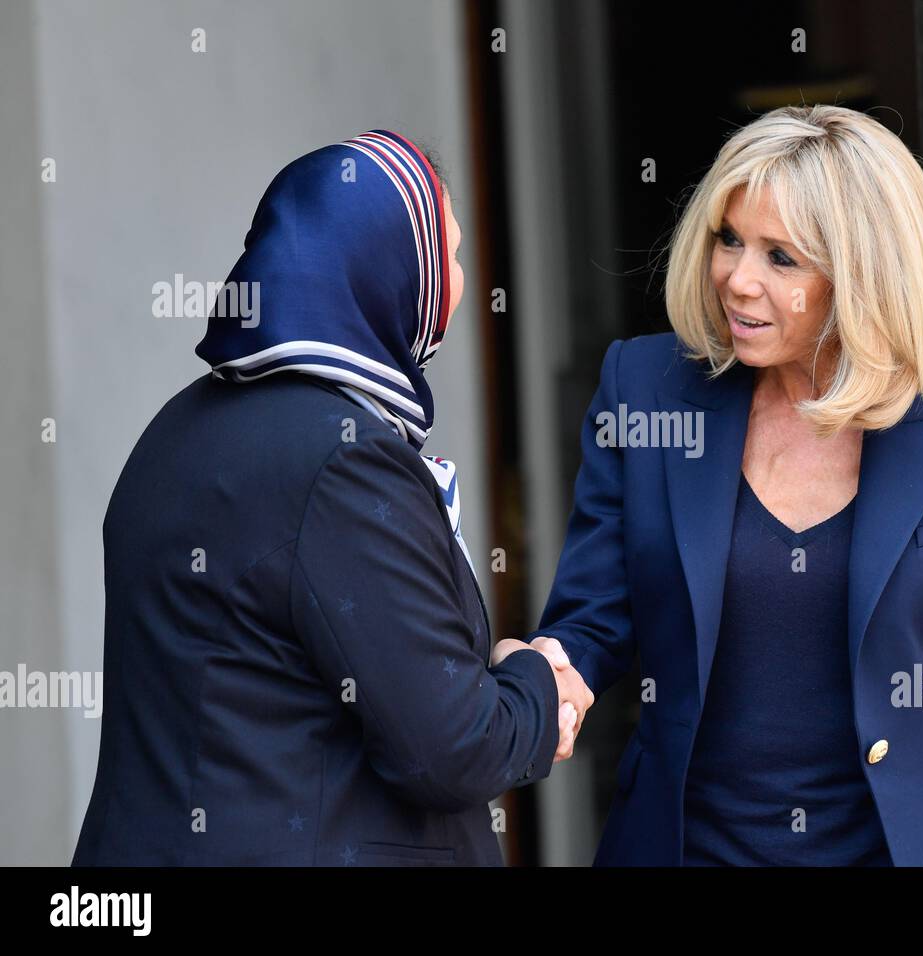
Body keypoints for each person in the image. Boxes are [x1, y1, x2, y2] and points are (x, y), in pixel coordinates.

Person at [528, 105, 923, 866]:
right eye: (729, 241)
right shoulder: (643, 387)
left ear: (862, 272)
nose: (738, 280)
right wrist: (549, 673)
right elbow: (591, 618)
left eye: (781, 258)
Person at [72, 130, 590, 866]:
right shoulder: (346, 460)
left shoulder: (175, 431)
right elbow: (448, 749)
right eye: (450, 255)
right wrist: (537, 683)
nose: (460, 281)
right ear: (391, 272)